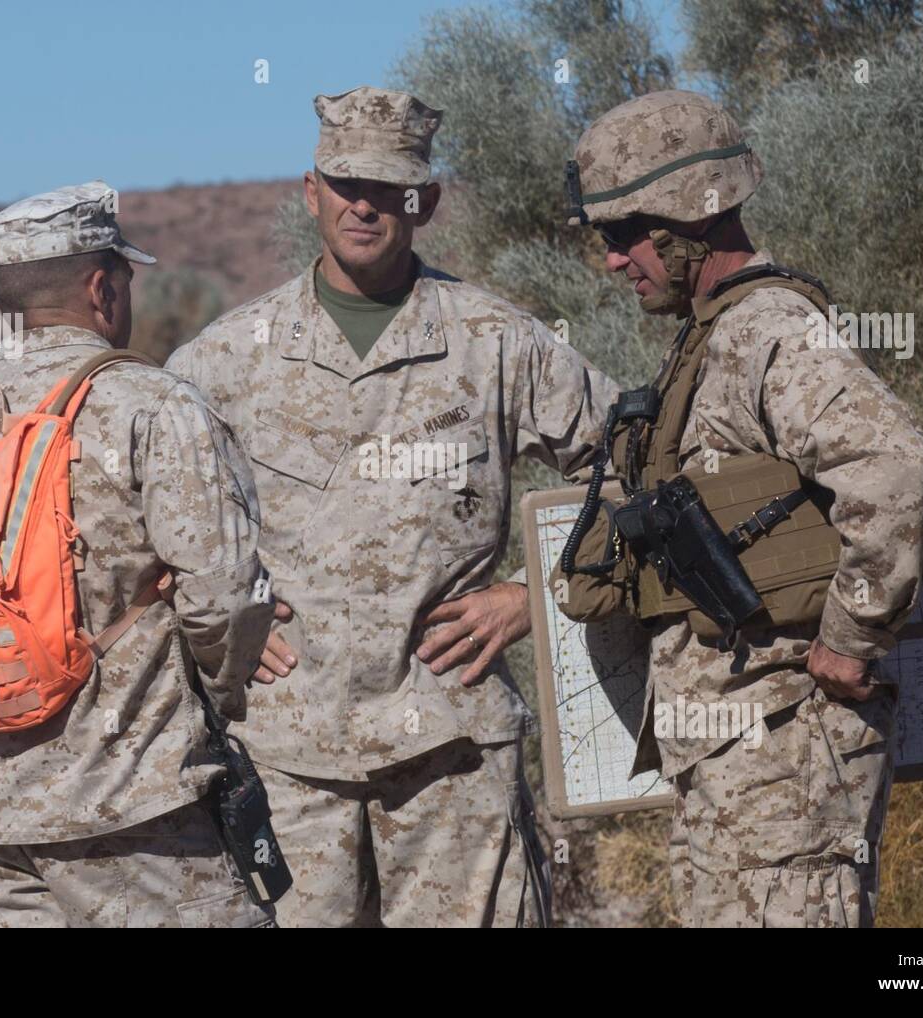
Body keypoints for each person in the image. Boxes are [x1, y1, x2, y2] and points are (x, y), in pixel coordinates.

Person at [166, 87, 623, 927]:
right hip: (288, 752)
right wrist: (223, 619)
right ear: (312, 193)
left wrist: (537, 592)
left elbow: (634, 468)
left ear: (427, 202)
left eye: (390, 187)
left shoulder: (495, 341)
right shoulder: (225, 359)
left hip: (451, 745)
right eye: (345, 184)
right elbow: (149, 518)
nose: (365, 204)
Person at [556, 91, 923, 927]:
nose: (617, 261)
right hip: (733, 748)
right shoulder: (710, 337)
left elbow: (891, 466)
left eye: (627, 235)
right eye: (605, 239)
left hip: (790, 751)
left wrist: (850, 640)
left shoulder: (770, 328)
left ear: (687, 218)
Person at [0, 181, 276, 927]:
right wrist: (217, 696)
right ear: (100, 288)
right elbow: (228, 599)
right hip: (139, 814)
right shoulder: (156, 406)